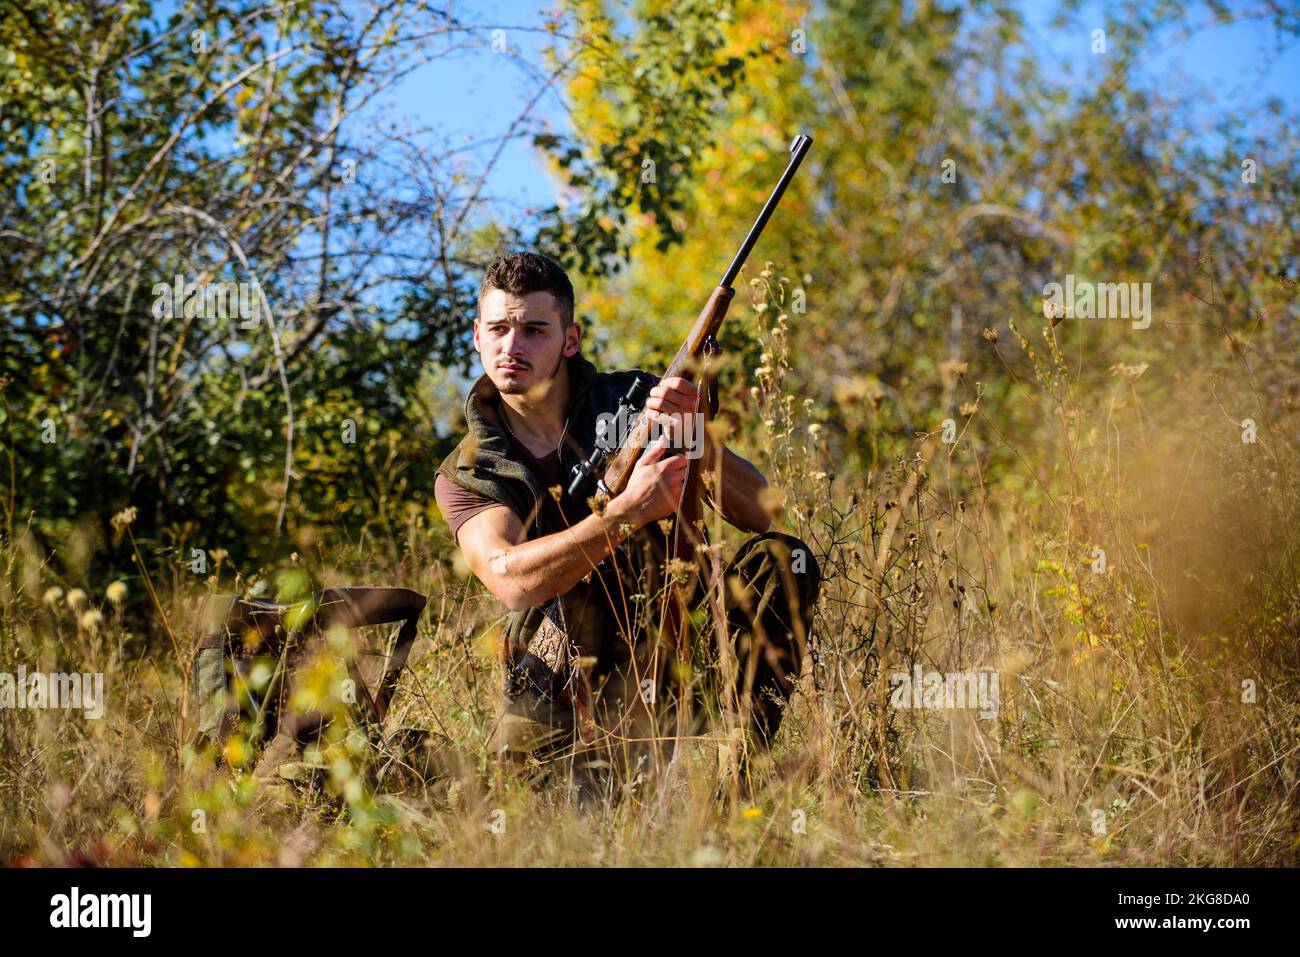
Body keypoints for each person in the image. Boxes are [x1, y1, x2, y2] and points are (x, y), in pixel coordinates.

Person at [435, 252, 820, 802]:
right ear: (477, 335)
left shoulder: (635, 398)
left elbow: (762, 514)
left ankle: (741, 793)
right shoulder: (469, 469)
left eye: (534, 330)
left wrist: (698, 435)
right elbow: (511, 580)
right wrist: (623, 514)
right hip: (564, 666)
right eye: (498, 329)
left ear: (571, 340)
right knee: (567, 822)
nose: (512, 347)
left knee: (787, 559)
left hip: (682, 633)